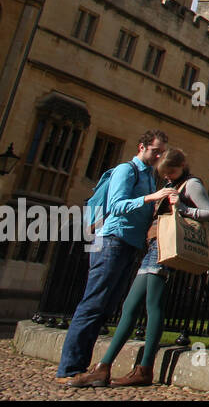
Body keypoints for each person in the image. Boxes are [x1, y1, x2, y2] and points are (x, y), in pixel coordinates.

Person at [68, 147, 209, 387]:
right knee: (130, 306)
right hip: (153, 248)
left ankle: (144, 369)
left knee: (152, 305)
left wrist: (184, 208)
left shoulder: (192, 184)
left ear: (182, 166)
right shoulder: (169, 185)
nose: (167, 177)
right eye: (164, 174)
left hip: (167, 250)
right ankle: (102, 368)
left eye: (170, 172)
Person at [56, 130, 170, 383]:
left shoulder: (150, 177)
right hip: (111, 241)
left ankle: (85, 368)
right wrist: (151, 198)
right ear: (142, 147)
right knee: (93, 304)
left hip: (129, 245)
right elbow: (116, 205)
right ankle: (69, 369)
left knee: (105, 307)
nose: (159, 155)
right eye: (155, 150)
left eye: (162, 151)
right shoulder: (126, 170)